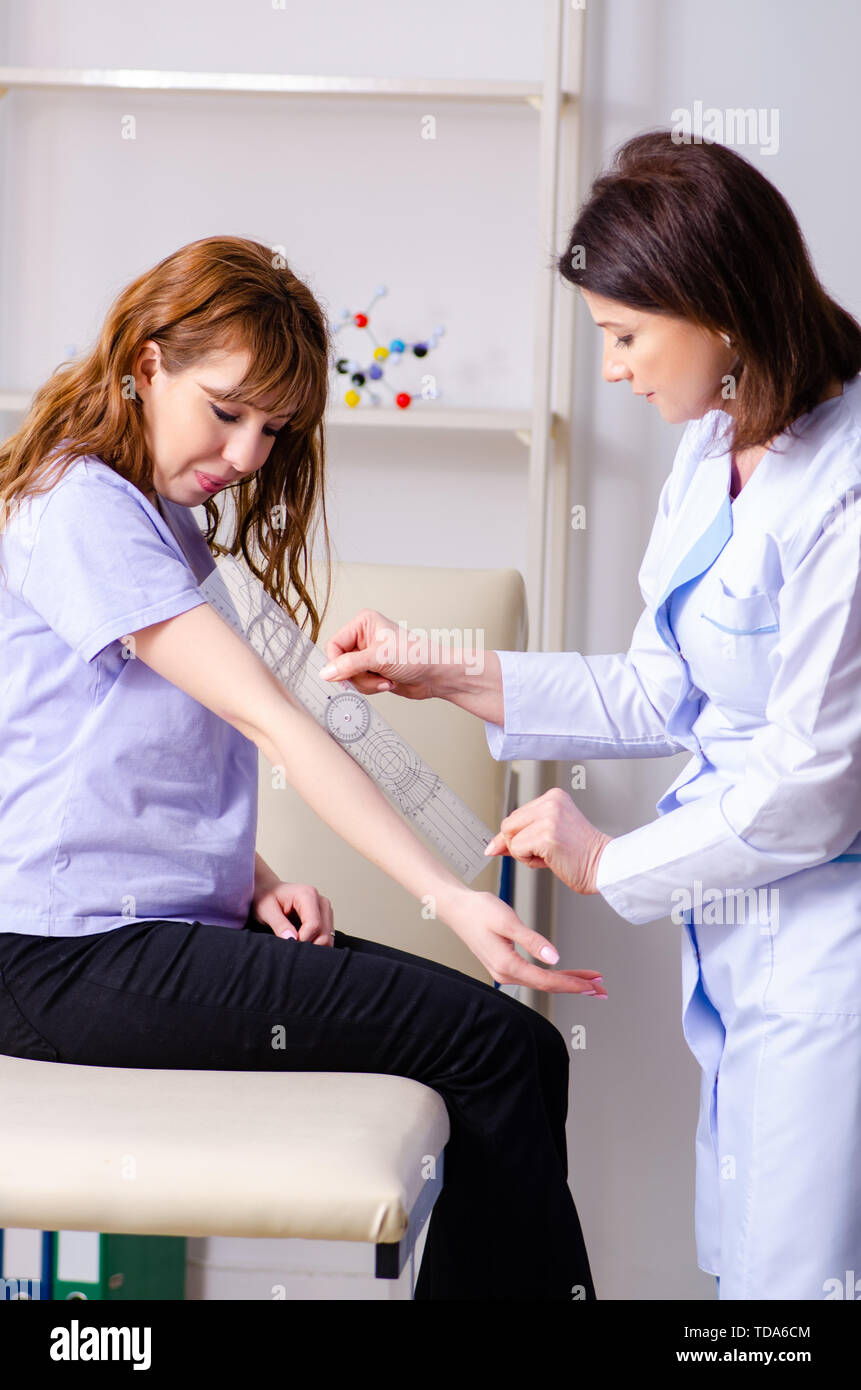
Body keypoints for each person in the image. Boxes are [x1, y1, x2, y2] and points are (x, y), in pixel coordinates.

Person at [0, 235, 608, 1302]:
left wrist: (258, 878)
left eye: (271, 430)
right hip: (58, 955)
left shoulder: (156, 515)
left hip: (130, 931)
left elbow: (116, 752)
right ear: (146, 364)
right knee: (500, 1048)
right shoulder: (85, 505)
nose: (246, 454)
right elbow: (278, 723)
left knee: (514, 1051)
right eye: (226, 410)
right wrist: (450, 903)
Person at [321, 131, 861, 1301]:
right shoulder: (719, 439)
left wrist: (611, 857)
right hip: (749, 926)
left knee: (801, 1284)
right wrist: (446, 670)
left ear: (716, 305)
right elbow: (658, 685)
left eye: (624, 335)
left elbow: (818, 781)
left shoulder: (846, 485)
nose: (612, 370)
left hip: (830, 933)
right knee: (759, 1265)